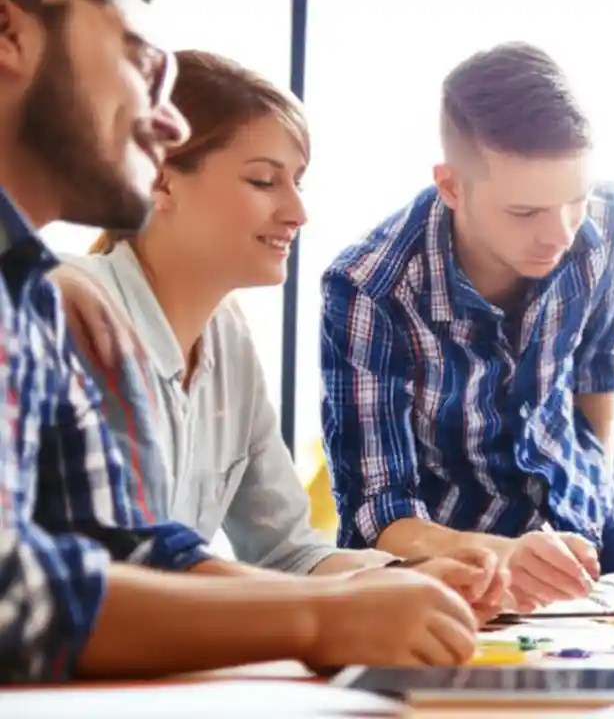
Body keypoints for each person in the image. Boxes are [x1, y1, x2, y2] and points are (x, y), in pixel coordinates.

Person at [1, 0, 478, 681]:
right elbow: (13, 588)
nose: (166, 124)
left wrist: (379, 592)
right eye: (139, 65)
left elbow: (128, 545)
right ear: (7, 32)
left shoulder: (31, 294)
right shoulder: (74, 304)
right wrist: (319, 617)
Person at [61, 49, 506, 622]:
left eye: (296, 182)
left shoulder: (228, 338)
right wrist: (355, 604)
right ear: (160, 180)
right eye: (263, 180)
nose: (298, 211)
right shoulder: (70, 310)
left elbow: (289, 552)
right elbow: (131, 571)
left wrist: (411, 581)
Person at [322, 42, 614, 611]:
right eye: (525, 213)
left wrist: (598, 488)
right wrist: (497, 553)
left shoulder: (605, 217)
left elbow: (597, 361)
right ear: (450, 186)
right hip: (448, 534)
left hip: (576, 498)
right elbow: (379, 511)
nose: (561, 234)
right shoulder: (368, 288)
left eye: (574, 200)